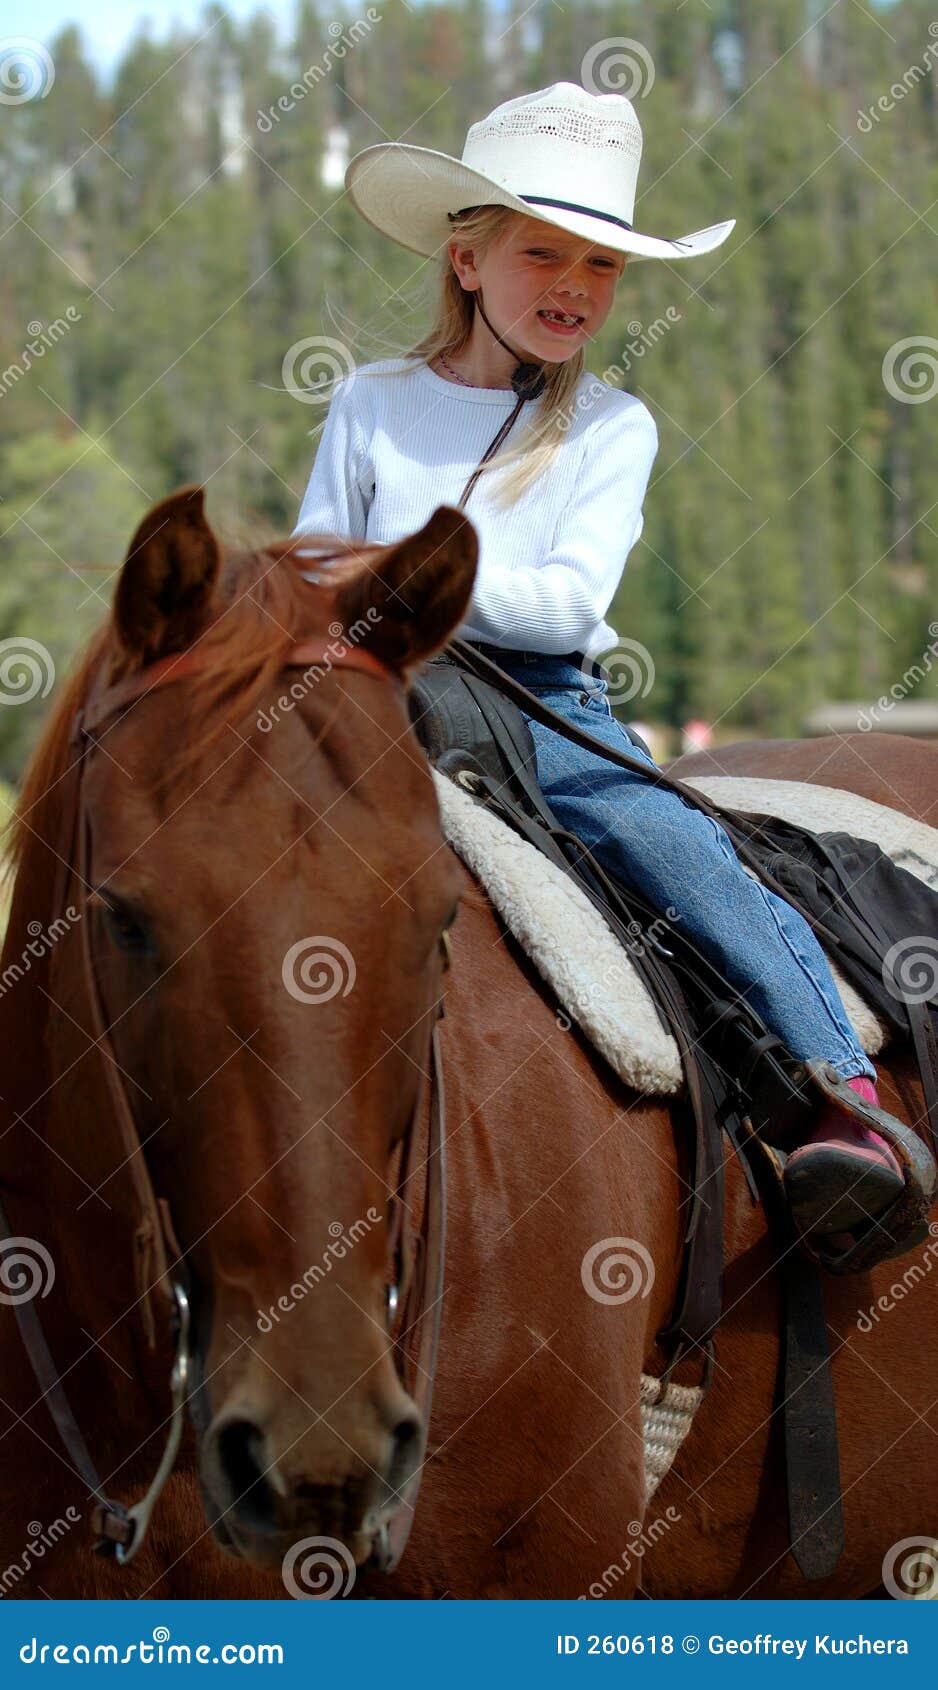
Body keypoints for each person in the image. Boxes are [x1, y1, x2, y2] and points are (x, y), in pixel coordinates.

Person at [293, 80, 907, 1252]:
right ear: (467, 262)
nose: (575, 287)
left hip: (541, 706)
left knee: (668, 839)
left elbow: (568, 604)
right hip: (373, 690)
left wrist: (403, 581)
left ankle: (841, 1092)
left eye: (603, 266)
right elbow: (321, 558)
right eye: (543, 254)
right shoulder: (370, 404)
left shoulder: (610, 426)